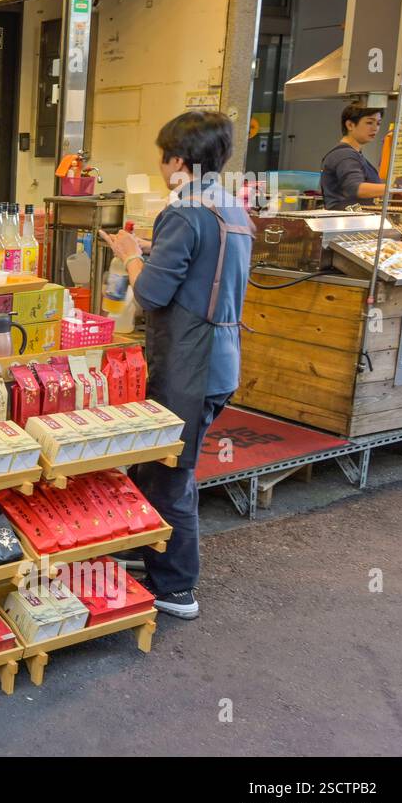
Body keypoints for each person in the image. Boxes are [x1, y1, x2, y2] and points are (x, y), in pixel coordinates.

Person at [100, 111, 253, 621]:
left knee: (171, 472)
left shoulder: (184, 212)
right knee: (153, 460)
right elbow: (201, 268)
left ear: (180, 161)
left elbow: (150, 293)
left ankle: (177, 586)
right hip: (222, 359)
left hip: (190, 363)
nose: (161, 166)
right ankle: (146, 547)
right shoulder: (229, 206)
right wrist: (149, 248)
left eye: (164, 157)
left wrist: (128, 255)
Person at [320, 104, 387, 210]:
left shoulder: (355, 154)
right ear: (350, 125)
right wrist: (395, 189)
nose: (375, 128)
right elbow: (355, 188)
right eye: (369, 122)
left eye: (378, 123)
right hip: (345, 222)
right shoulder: (344, 155)